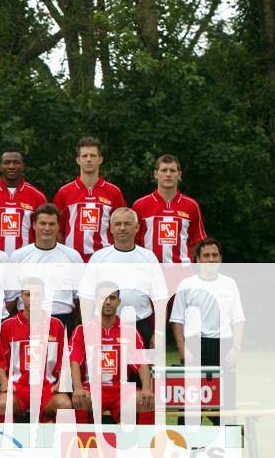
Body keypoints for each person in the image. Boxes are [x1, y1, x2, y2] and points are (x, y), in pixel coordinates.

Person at [80, 207, 167, 348]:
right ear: (111, 228)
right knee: (107, 369)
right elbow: (86, 297)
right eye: (118, 224)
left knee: (141, 369)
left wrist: (158, 333)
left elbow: (160, 299)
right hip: (104, 326)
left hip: (140, 324)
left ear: (137, 227)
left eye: (127, 224)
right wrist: (88, 328)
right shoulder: (99, 257)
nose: (122, 228)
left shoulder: (148, 257)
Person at [70, 285, 154, 425]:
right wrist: (77, 388)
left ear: (119, 301)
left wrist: (146, 389)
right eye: (104, 298)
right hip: (92, 387)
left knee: (147, 401)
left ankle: (144, 445)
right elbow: (74, 362)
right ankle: (82, 444)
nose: (108, 302)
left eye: (112, 298)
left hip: (122, 389)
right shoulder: (82, 330)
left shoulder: (129, 331)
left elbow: (142, 365)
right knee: (81, 399)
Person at [0, 285, 72, 422]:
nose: (32, 299)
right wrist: (3, 382)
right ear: (21, 296)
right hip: (18, 389)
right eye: (28, 294)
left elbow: (64, 362)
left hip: (47, 389)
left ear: (43, 297)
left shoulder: (56, 325)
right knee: (3, 403)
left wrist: (61, 382)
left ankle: (62, 443)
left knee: (65, 404)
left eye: (36, 295)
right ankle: (3, 441)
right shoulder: (8, 326)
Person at [170, 238, 244, 369]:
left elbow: (238, 319)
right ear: (198, 260)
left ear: (220, 258)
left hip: (224, 345)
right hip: (194, 345)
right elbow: (177, 320)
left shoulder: (230, 284)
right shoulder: (186, 284)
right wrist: (183, 349)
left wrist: (236, 348)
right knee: (194, 388)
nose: (211, 259)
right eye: (206, 255)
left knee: (225, 388)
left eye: (215, 255)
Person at [10, 203, 83, 337]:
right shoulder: (18, 256)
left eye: (51, 224)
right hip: (27, 320)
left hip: (63, 319)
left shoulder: (72, 256)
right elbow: (11, 298)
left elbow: (80, 298)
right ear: (34, 225)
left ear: (58, 226)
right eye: (42, 223)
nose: (47, 228)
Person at [53, 136, 126, 262]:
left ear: (100, 159)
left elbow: (121, 227)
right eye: (84, 156)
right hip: (72, 260)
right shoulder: (64, 192)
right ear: (78, 160)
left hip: (105, 259)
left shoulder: (114, 192)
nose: (88, 160)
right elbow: (57, 229)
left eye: (92, 156)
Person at [132, 154, 207, 264]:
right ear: (156, 174)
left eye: (172, 170)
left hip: (182, 273)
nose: (168, 174)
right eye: (164, 170)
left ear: (179, 174)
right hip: (150, 272)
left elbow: (197, 242)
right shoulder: (140, 205)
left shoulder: (191, 205)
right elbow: (133, 241)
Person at [0, 150, 48, 256]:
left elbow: (44, 232)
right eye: (6, 162)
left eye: (16, 162)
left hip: (26, 259)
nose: (11, 166)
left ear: (23, 166)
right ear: (0, 167)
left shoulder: (37, 197)